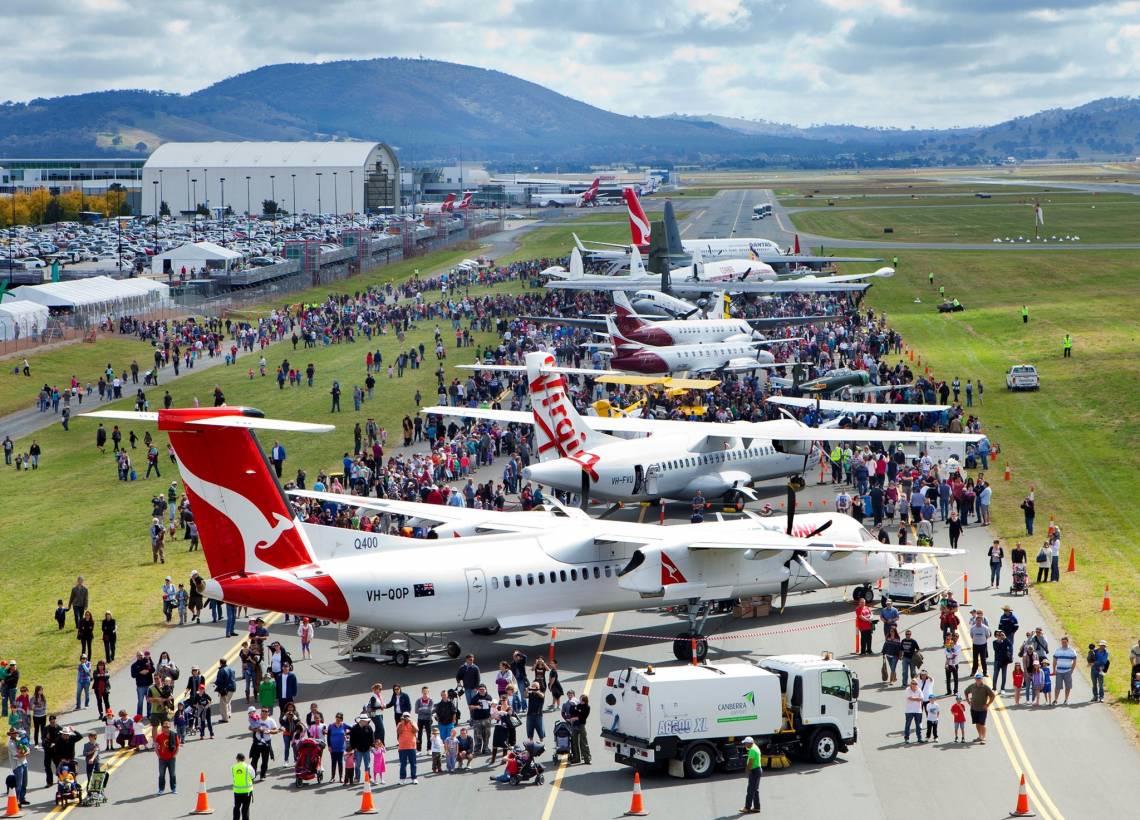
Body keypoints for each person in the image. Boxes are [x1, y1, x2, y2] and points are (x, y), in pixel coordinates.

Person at [963, 672, 995, 744]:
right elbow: (966, 692)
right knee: (977, 723)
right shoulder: (972, 686)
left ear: (982, 679)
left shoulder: (985, 687)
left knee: (982, 724)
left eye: (979, 679)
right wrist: (968, 701)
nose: (978, 680)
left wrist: (988, 704)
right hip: (974, 708)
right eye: (977, 679)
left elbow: (992, 696)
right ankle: (980, 736)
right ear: (975, 679)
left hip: (982, 709)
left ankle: (983, 737)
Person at [155, 718, 179, 795]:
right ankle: (161, 789)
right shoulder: (159, 736)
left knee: (172, 774)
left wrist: (175, 755)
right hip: (162, 759)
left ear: (169, 727)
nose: (166, 728)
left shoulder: (174, 735)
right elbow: (156, 746)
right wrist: (158, 755)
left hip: (171, 758)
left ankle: (173, 788)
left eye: (167, 727)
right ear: (162, 727)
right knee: (161, 775)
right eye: (164, 727)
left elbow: (177, 746)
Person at [1051, 637, 1078, 705]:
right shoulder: (1058, 650)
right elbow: (1054, 661)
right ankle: (1055, 700)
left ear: (1067, 642)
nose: (1063, 643)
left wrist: (1071, 671)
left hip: (1067, 671)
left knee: (1068, 686)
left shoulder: (1072, 651)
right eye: (1062, 642)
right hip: (1059, 671)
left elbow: (1074, 662)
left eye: (1065, 642)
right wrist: (1054, 670)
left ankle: (1066, 700)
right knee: (1057, 687)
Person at [231, 752, 255, 820]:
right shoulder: (248, 767)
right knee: (245, 808)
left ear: (237, 759)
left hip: (237, 791)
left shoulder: (233, 767)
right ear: (244, 759)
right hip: (247, 791)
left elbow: (233, 776)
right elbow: (253, 776)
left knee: (237, 807)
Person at [741, 736, 762, 814]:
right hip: (758, 770)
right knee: (755, 790)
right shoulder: (755, 747)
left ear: (750, 743)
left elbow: (750, 762)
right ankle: (757, 808)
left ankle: (747, 808)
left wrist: (747, 770)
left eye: (746, 743)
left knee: (750, 790)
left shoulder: (752, 750)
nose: (745, 745)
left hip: (754, 771)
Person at [396, 712, 418, 784]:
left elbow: (416, 730)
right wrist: (402, 723)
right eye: (405, 716)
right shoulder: (399, 724)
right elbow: (399, 731)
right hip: (402, 747)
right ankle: (402, 778)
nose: (406, 718)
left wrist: (410, 723)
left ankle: (414, 778)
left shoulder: (413, 722)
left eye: (407, 716)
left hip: (412, 746)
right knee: (403, 764)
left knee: (413, 763)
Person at [570, 694, 591, 765]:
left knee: (584, 742)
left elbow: (584, 717)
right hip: (575, 725)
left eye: (581, 700)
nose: (580, 701)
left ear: (585, 701)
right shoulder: (578, 706)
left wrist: (576, 717)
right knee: (574, 742)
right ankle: (577, 758)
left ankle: (587, 758)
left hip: (581, 725)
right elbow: (573, 712)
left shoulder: (587, 707)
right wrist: (573, 707)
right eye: (580, 699)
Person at [902, 679, 924, 744]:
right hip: (909, 711)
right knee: (907, 725)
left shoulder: (919, 689)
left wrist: (914, 698)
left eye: (915, 684)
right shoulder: (907, 689)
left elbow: (922, 698)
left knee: (918, 726)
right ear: (910, 684)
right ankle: (906, 739)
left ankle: (919, 738)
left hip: (918, 711)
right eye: (913, 683)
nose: (914, 685)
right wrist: (917, 699)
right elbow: (909, 698)